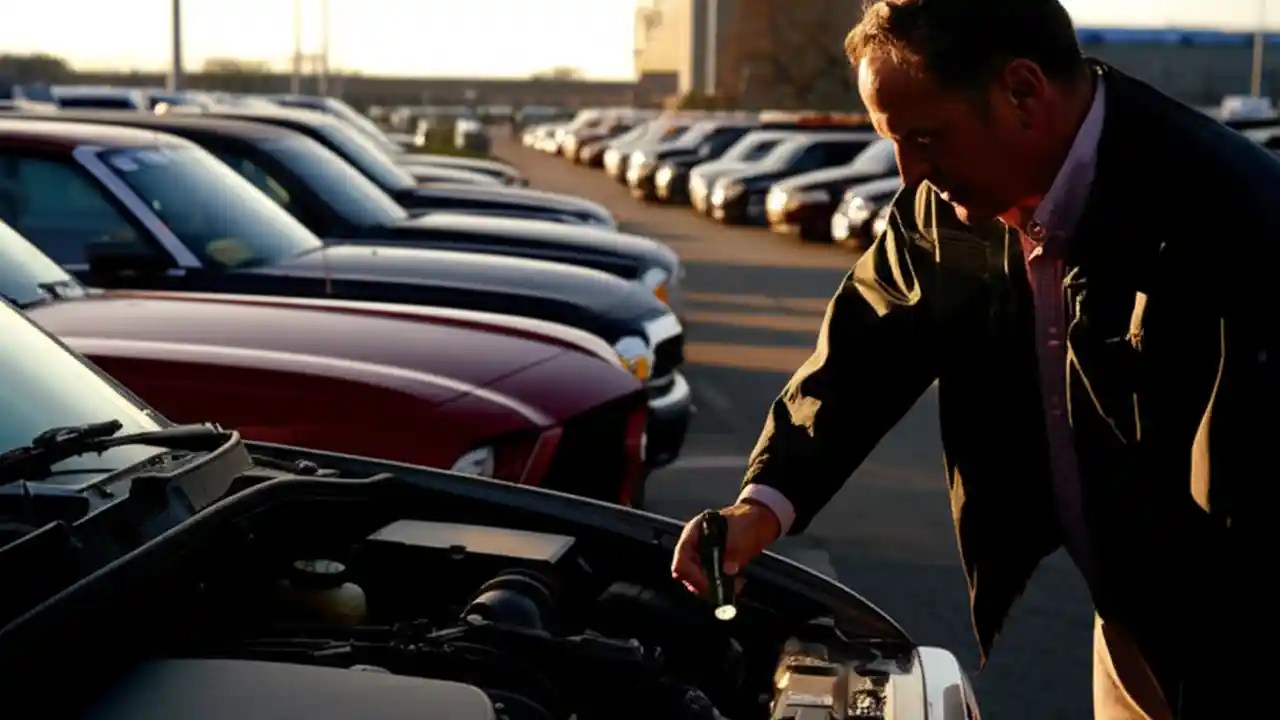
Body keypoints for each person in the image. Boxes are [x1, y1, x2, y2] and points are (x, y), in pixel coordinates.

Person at [671, 1, 1275, 717]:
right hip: (1127, 627)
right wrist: (762, 506)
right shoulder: (950, 206)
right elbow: (869, 342)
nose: (908, 175)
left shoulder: (1236, 219)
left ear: (1023, 92)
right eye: (896, 143)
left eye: (926, 138)